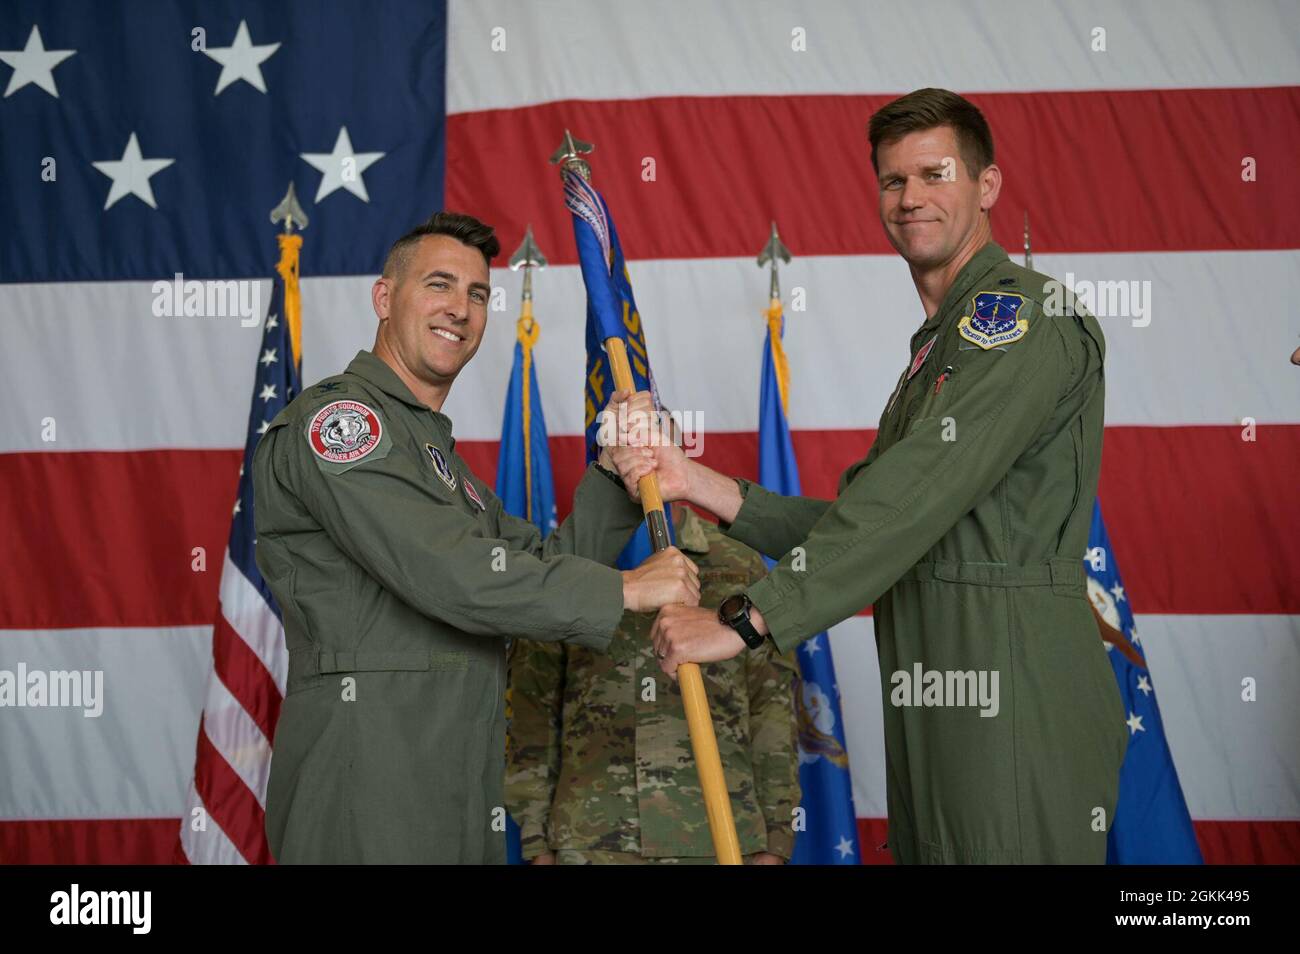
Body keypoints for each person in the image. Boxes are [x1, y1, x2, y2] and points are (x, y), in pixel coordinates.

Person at [614, 89, 1127, 864]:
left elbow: (907, 501)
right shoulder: (941, 346)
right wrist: (695, 481)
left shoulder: (1019, 317)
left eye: (935, 173)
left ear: (987, 186)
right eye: (894, 181)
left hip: (1012, 686)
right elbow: (871, 522)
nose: (911, 196)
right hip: (940, 683)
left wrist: (744, 620)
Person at [251, 211, 700, 863]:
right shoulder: (341, 422)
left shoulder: (438, 462)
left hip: (458, 780)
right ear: (384, 297)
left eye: (478, 294)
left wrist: (615, 473)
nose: (460, 309)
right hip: (371, 783)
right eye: (438, 285)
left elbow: (540, 566)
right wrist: (626, 588)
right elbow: (449, 571)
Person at [506, 503, 800, 865]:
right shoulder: (567, 564)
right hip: (591, 839)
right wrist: (536, 843)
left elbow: (771, 707)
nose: (642, 448)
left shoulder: (738, 563)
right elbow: (532, 709)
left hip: (721, 835)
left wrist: (775, 843)